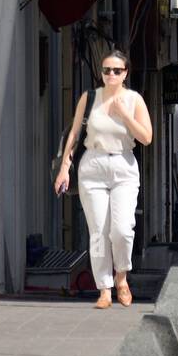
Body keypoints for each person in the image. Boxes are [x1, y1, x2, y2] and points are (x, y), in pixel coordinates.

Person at [53, 48, 153, 310]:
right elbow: (74, 134)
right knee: (98, 232)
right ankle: (105, 289)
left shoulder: (134, 100)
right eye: (106, 70)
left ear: (125, 74)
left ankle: (122, 276)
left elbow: (146, 138)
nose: (110, 74)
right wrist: (65, 167)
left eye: (116, 71)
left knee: (121, 229)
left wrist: (126, 116)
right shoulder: (90, 98)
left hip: (123, 165)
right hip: (93, 166)